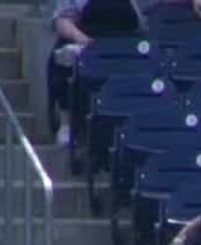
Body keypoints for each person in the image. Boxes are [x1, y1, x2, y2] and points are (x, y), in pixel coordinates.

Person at [47, 0, 143, 148]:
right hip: (88, 41)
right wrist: (81, 38)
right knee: (66, 57)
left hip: (126, 46)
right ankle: (66, 124)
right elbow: (61, 21)